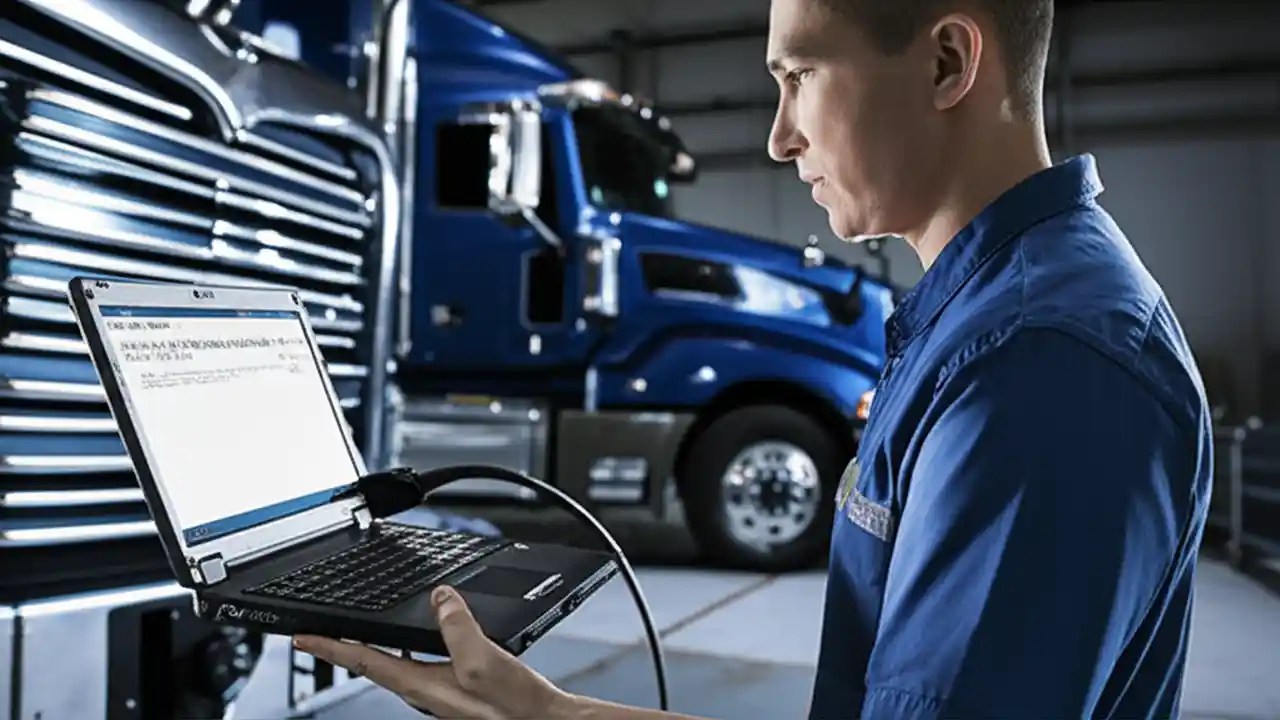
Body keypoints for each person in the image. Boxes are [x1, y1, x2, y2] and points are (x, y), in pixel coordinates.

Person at [294, 0, 1214, 717]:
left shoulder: (1037, 366)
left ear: (946, 62)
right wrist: (543, 711)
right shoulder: (992, 319)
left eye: (800, 74)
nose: (779, 136)